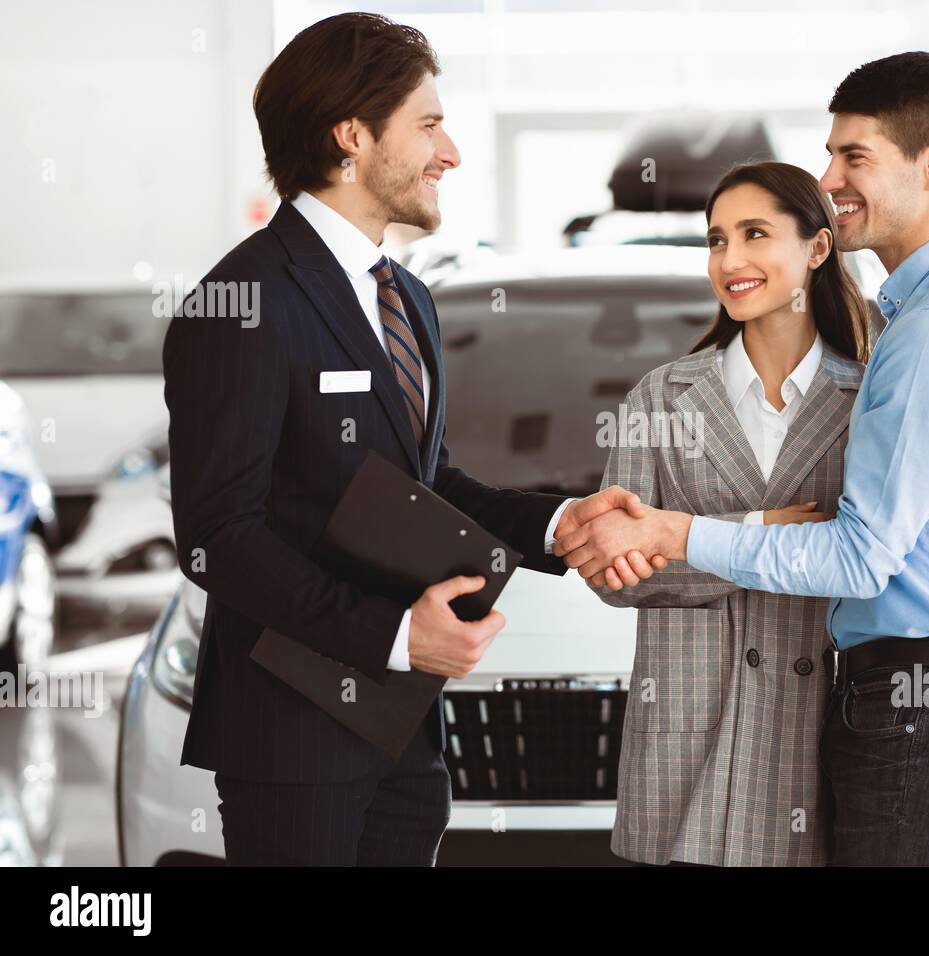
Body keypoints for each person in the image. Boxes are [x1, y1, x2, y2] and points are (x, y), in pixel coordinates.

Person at [162, 13, 647, 866]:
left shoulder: (406, 298)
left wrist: (556, 524)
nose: (450, 152)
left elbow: (429, 481)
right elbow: (217, 539)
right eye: (428, 124)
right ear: (351, 136)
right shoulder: (240, 303)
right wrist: (391, 635)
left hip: (403, 737)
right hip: (294, 746)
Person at [557, 52, 929, 866]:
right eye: (716, 239)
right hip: (725, 735)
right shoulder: (667, 395)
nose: (830, 175)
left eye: (852, 156)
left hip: (887, 705)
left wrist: (683, 532)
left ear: (820, 250)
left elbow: (870, 555)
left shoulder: (901, 354)